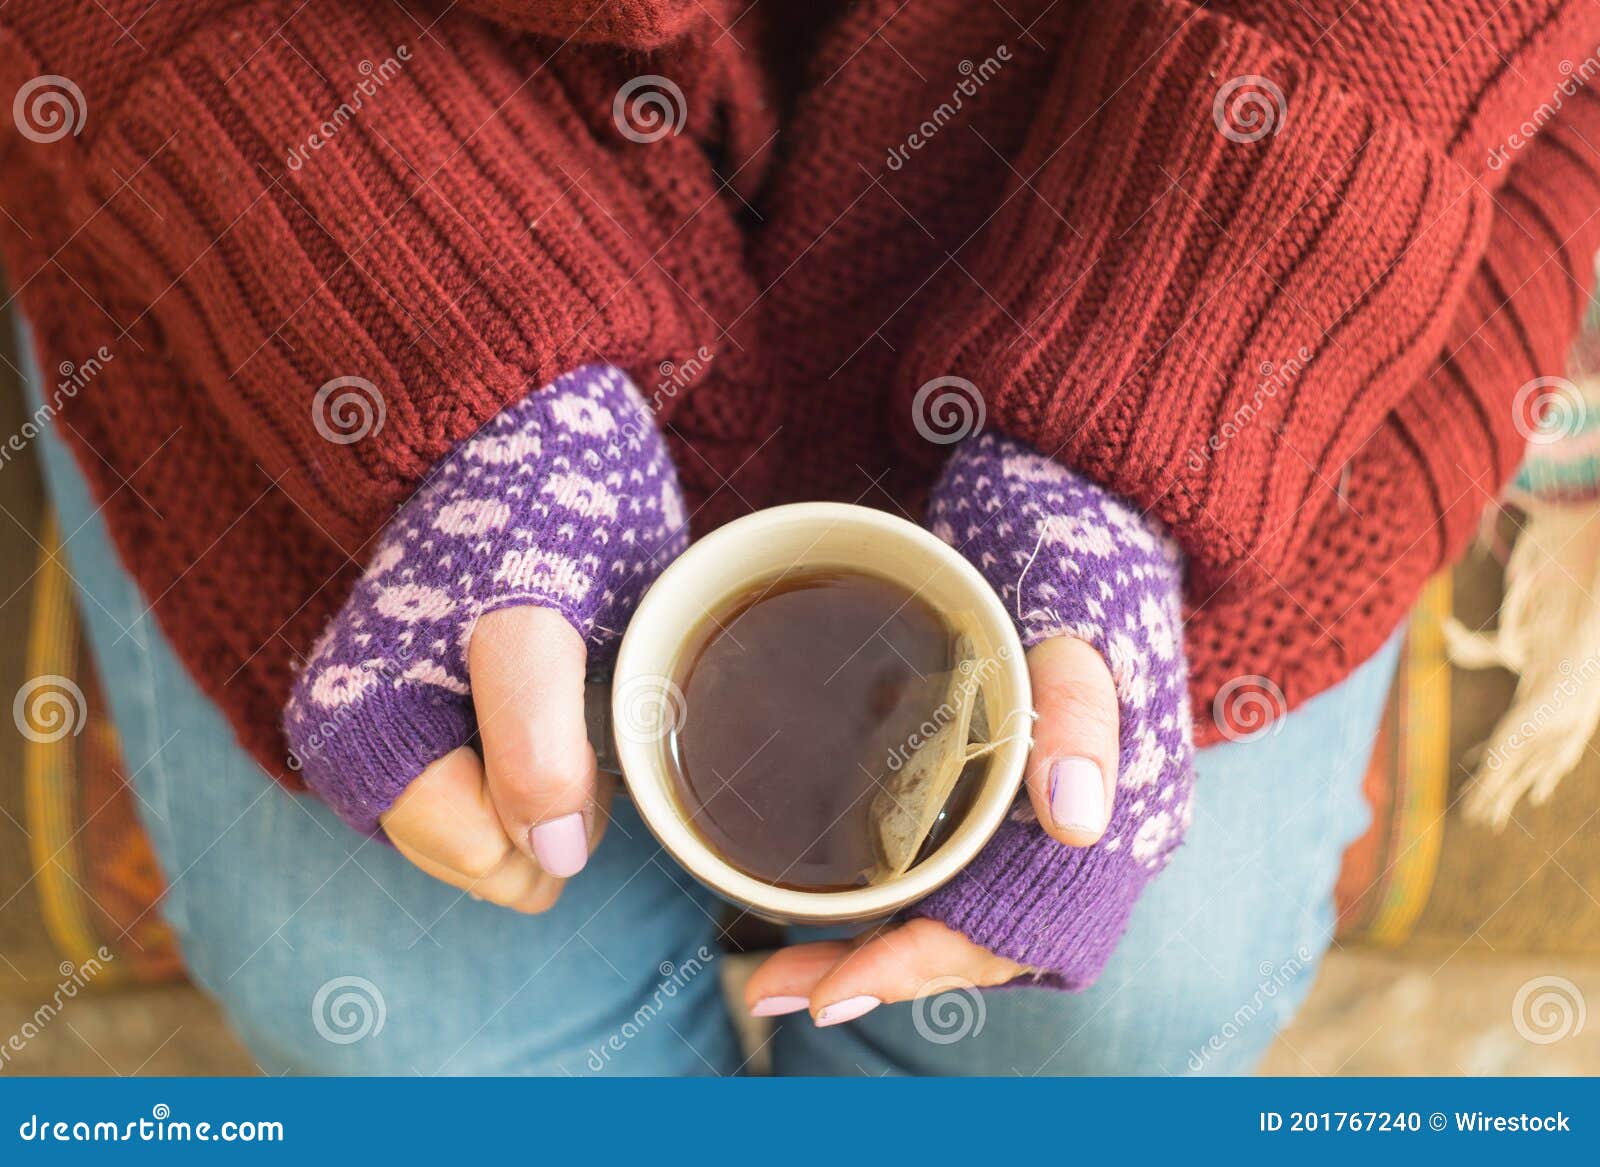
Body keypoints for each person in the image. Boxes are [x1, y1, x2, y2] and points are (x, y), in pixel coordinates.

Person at [3, 0, 1598, 1073]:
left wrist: (1141, 410)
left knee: (1121, 1005)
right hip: (307, 103)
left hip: (1240, 160)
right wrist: (444, 349)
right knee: (418, 1027)